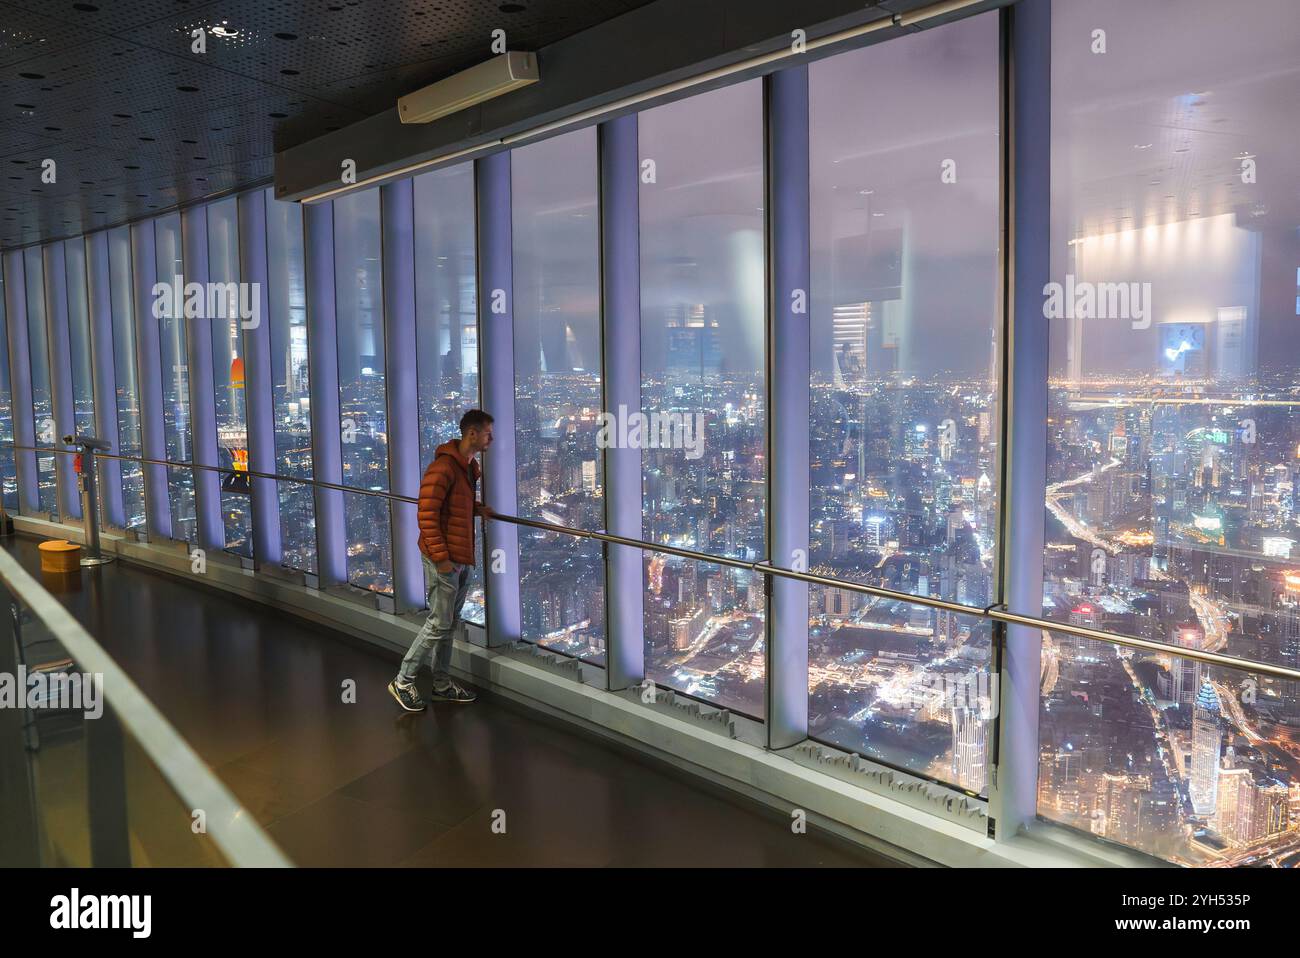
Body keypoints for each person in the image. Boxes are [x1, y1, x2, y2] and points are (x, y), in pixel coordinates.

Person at [388, 409, 495, 710]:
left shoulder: (466, 467)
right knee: (438, 624)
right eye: (488, 433)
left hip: (460, 557)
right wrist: (442, 559)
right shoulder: (444, 467)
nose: (491, 439)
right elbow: (426, 514)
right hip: (445, 559)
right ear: (472, 433)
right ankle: (403, 681)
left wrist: (475, 508)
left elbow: (451, 505)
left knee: (448, 624)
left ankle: (441, 684)